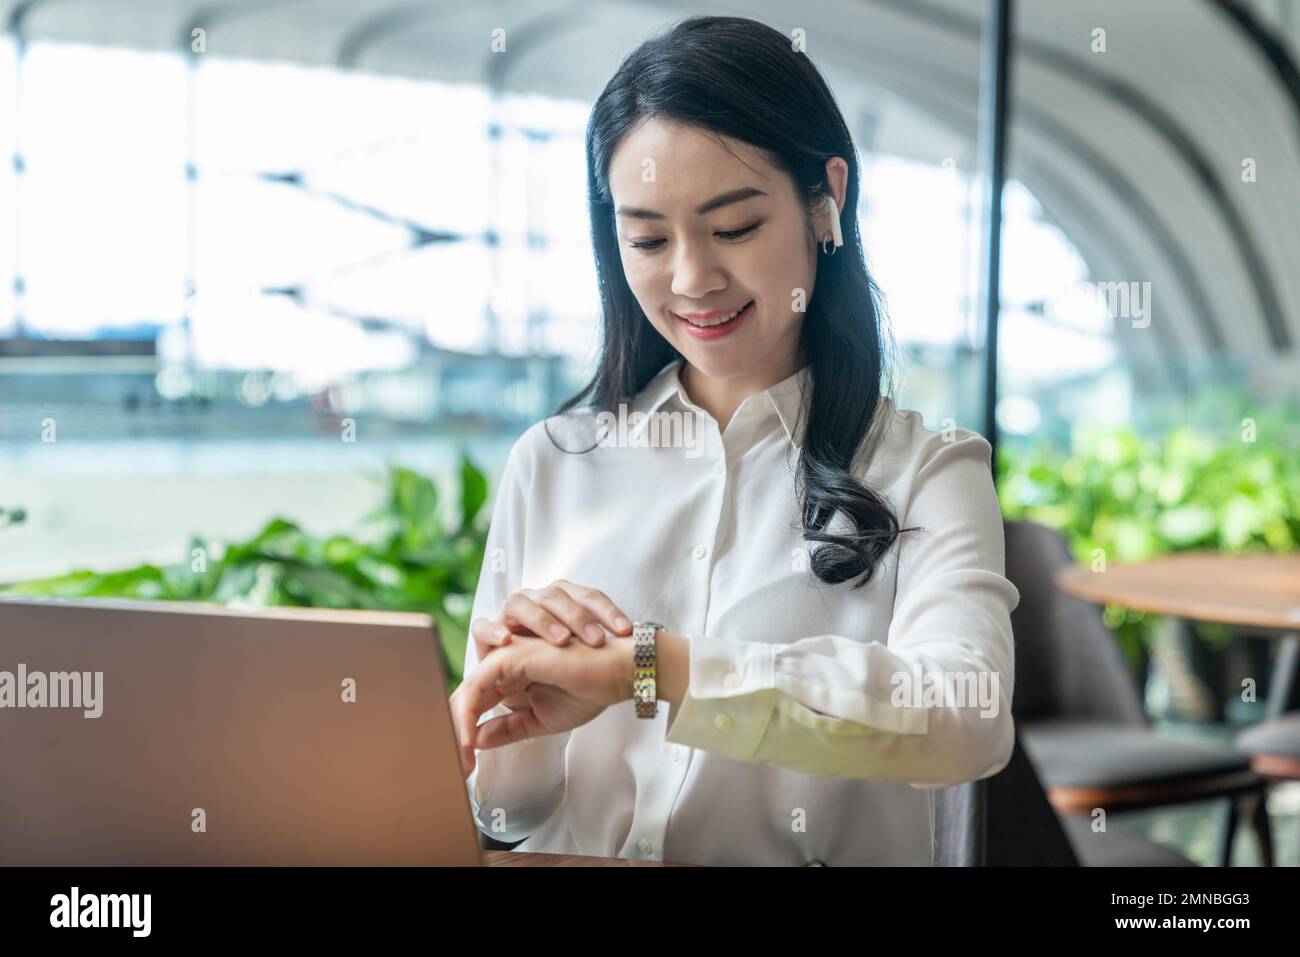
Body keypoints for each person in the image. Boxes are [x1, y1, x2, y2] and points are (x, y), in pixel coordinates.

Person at [449, 14, 1019, 867]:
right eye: (646, 238)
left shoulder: (928, 470)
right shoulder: (552, 462)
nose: (691, 279)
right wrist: (521, 717)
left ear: (827, 198)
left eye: (735, 228)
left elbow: (965, 720)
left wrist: (649, 667)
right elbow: (505, 812)